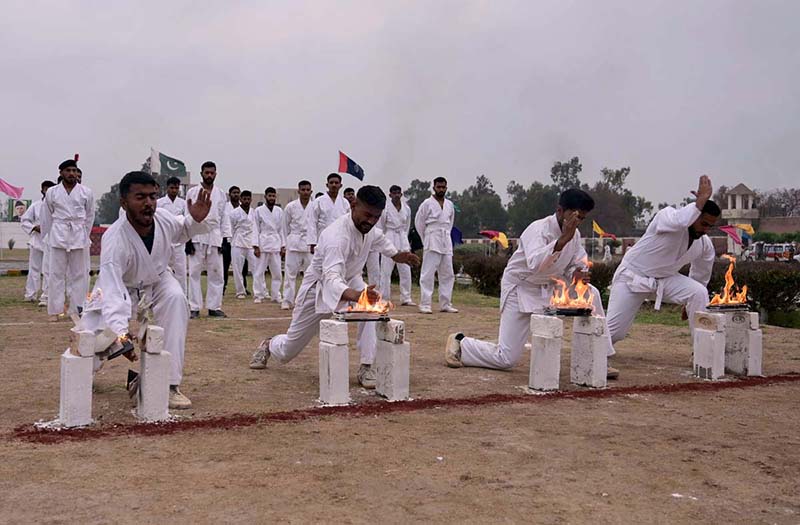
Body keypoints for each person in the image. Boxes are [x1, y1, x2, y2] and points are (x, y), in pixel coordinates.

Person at [249, 186, 420, 388]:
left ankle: (367, 365)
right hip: (318, 288)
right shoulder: (336, 237)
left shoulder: (371, 229)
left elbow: (384, 244)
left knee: (371, 311)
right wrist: (358, 296)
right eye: (368, 215)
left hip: (351, 281)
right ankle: (269, 344)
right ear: (354, 204)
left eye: (376, 217)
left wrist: (400, 256)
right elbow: (331, 279)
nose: (371, 221)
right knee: (288, 350)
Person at [445, 189, 617, 377]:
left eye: (581, 219)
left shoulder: (574, 236)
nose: (577, 223)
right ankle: (461, 344)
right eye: (574, 216)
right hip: (521, 288)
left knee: (591, 293)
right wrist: (561, 242)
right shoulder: (538, 229)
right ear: (560, 211)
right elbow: (536, 265)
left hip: (551, 287)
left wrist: (576, 273)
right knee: (506, 358)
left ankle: (601, 358)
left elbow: (574, 263)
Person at [80, 171, 211, 409]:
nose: (148, 203)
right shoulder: (115, 239)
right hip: (121, 287)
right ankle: (82, 374)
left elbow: (181, 230)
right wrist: (121, 334)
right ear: (124, 202)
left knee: (176, 299)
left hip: (157, 280)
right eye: (140, 197)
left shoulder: (162, 218)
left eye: (152, 196)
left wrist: (194, 221)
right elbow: (111, 289)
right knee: (93, 333)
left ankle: (169, 384)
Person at [606, 176, 719, 351]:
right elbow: (680, 221)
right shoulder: (666, 217)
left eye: (710, 227)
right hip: (632, 277)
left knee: (698, 293)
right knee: (614, 333)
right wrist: (699, 202)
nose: (705, 230)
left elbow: (701, 273)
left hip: (665, 280)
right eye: (703, 223)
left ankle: (703, 353)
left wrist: (689, 305)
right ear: (694, 214)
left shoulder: (704, 245)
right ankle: (591, 354)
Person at [40, 159, 95, 321]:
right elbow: (47, 215)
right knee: (56, 274)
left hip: (79, 234)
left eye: (74, 170)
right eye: (68, 171)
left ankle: (77, 309)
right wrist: (48, 236)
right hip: (58, 234)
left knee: (80, 275)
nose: (72, 174)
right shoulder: (52, 192)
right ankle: (55, 311)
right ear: (61, 173)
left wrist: (85, 233)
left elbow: (90, 215)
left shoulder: (86, 192)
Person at [186, 161, 229, 318]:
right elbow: (187, 216)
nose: (209, 175)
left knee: (217, 273)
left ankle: (214, 307)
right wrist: (188, 239)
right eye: (206, 173)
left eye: (212, 173)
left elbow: (224, 217)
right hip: (196, 235)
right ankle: (194, 307)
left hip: (215, 236)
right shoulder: (192, 192)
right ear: (201, 173)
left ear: (216, 174)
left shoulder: (221, 194)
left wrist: (225, 239)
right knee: (194, 272)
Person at [415, 177, 457, 314]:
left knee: (447, 273)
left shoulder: (450, 204)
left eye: (443, 187)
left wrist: (446, 235)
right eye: (438, 187)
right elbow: (419, 222)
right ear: (434, 187)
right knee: (428, 272)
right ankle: (425, 303)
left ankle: (445, 303)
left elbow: (450, 223)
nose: (441, 189)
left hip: (445, 237)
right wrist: (426, 237)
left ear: (446, 188)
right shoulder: (427, 203)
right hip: (432, 236)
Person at [21, 180, 56, 303]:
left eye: (50, 189)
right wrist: (34, 227)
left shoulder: (57, 206)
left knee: (49, 270)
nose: (48, 192)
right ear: (42, 190)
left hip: (52, 241)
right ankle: (30, 294)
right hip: (37, 241)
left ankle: (46, 295)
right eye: (46, 189)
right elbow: (25, 220)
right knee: (34, 269)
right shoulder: (35, 206)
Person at [379, 185, 415, 305]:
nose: (396, 195)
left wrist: (404, 236)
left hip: (402, 237)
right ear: (390, 195)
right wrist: (384, 238)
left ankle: (406, 297)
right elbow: (381, 225)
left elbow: (407, 225)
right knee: (386, 269)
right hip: (389, 235)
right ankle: (384, 297)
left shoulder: (407, 208)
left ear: (401, 194)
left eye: (398, 193)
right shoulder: (385, 208)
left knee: (405, 269)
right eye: (394, 193)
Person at [280, 180, 313, 310]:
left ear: (311, 191)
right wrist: (284, 244)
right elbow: (284, 227)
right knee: (290, 273)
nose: (305, 192)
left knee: (310, 274)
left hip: (310, 243)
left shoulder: (315, 206)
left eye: (307, 190)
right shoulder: (290, 207)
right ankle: (287, 300)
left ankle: (307, 300)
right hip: (293, 242)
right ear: (298, 191)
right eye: (303, 190)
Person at [156, 177, 189, 293]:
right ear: (167, 188)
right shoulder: (159, 203)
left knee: (181, 271)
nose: (174, 190)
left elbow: (187, 222)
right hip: (164, 241)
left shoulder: (183, 203)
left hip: (179, 241)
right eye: (172, 188)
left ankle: (183, 296)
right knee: (161, 269)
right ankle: (162, 294)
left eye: (176, 188)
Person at [227, 190, 260, 300]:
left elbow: (257, 229)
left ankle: (258, 291)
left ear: (251, 199)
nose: (246, 201)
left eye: (248, 199)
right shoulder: (234, 213)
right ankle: (240, 291)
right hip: (237, 242)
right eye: (244, 199)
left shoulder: (254, 212)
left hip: (251, 243)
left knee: (257, 268)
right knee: (237, 269)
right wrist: (230, 241)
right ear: (240, 200)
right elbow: (230, 228)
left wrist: (257, 243)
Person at [254, 187, 285, 304]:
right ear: (265, 196)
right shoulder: (258, 210)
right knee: (259, 272)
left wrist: (283, 245)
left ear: (275, 197)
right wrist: (255, 246)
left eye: (273, 196)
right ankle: (258, 294)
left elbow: (282, 229)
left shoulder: (279, 211)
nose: (271, 198)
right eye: (269, 196)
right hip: (263, 243)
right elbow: (255, 228)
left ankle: (276, 295)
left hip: (275, 243)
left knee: (277, 271)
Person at [306, 173, 350, 253]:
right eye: (331, 182)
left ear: (340, 185)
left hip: (340, 238)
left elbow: (349, 222)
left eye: (336, 183)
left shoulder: (345, 202)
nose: (334, 185)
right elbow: (312, 222)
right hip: (322, 237)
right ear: (327, 185)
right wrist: (312, 243)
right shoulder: (318, 201)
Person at [222, 185, 246, 294]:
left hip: (242, 241)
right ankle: (222, 287)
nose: (236, 194)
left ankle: (244, 287)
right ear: (229, 194)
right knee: (224, 265)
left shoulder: (244, 208)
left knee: (243, 267)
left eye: (237, 193)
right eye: (234, 193)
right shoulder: (224, 207)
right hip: (226, 239)